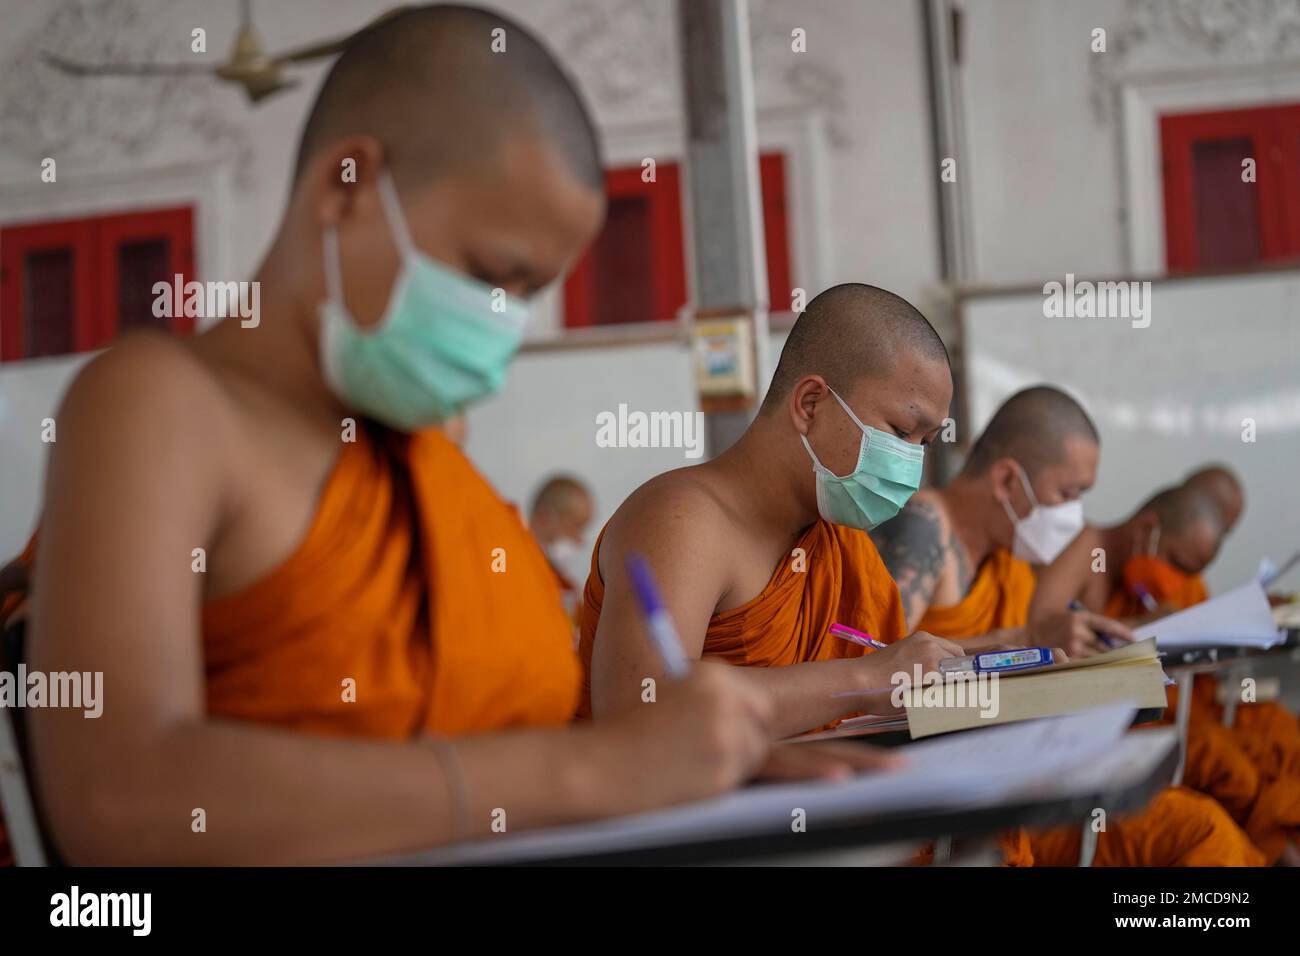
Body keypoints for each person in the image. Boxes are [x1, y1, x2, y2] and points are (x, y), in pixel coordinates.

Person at [12, 4, 887, 866]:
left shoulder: (429, 460)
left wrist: (690, 774)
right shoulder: (158, 404)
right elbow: (119, 798)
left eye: (529, 294)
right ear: (345, 187)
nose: (500, 328)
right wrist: (587, 770)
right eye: (490, 276)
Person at [870, 387, 1265, 866]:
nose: (1073, 513)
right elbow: (878, 679)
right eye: (1069, 492)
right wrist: (1024, 641)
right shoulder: (926, 527)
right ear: (1009, 480)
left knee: (1201, 829)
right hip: (947, 810)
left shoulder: (1008, 558)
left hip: (1025, 786)